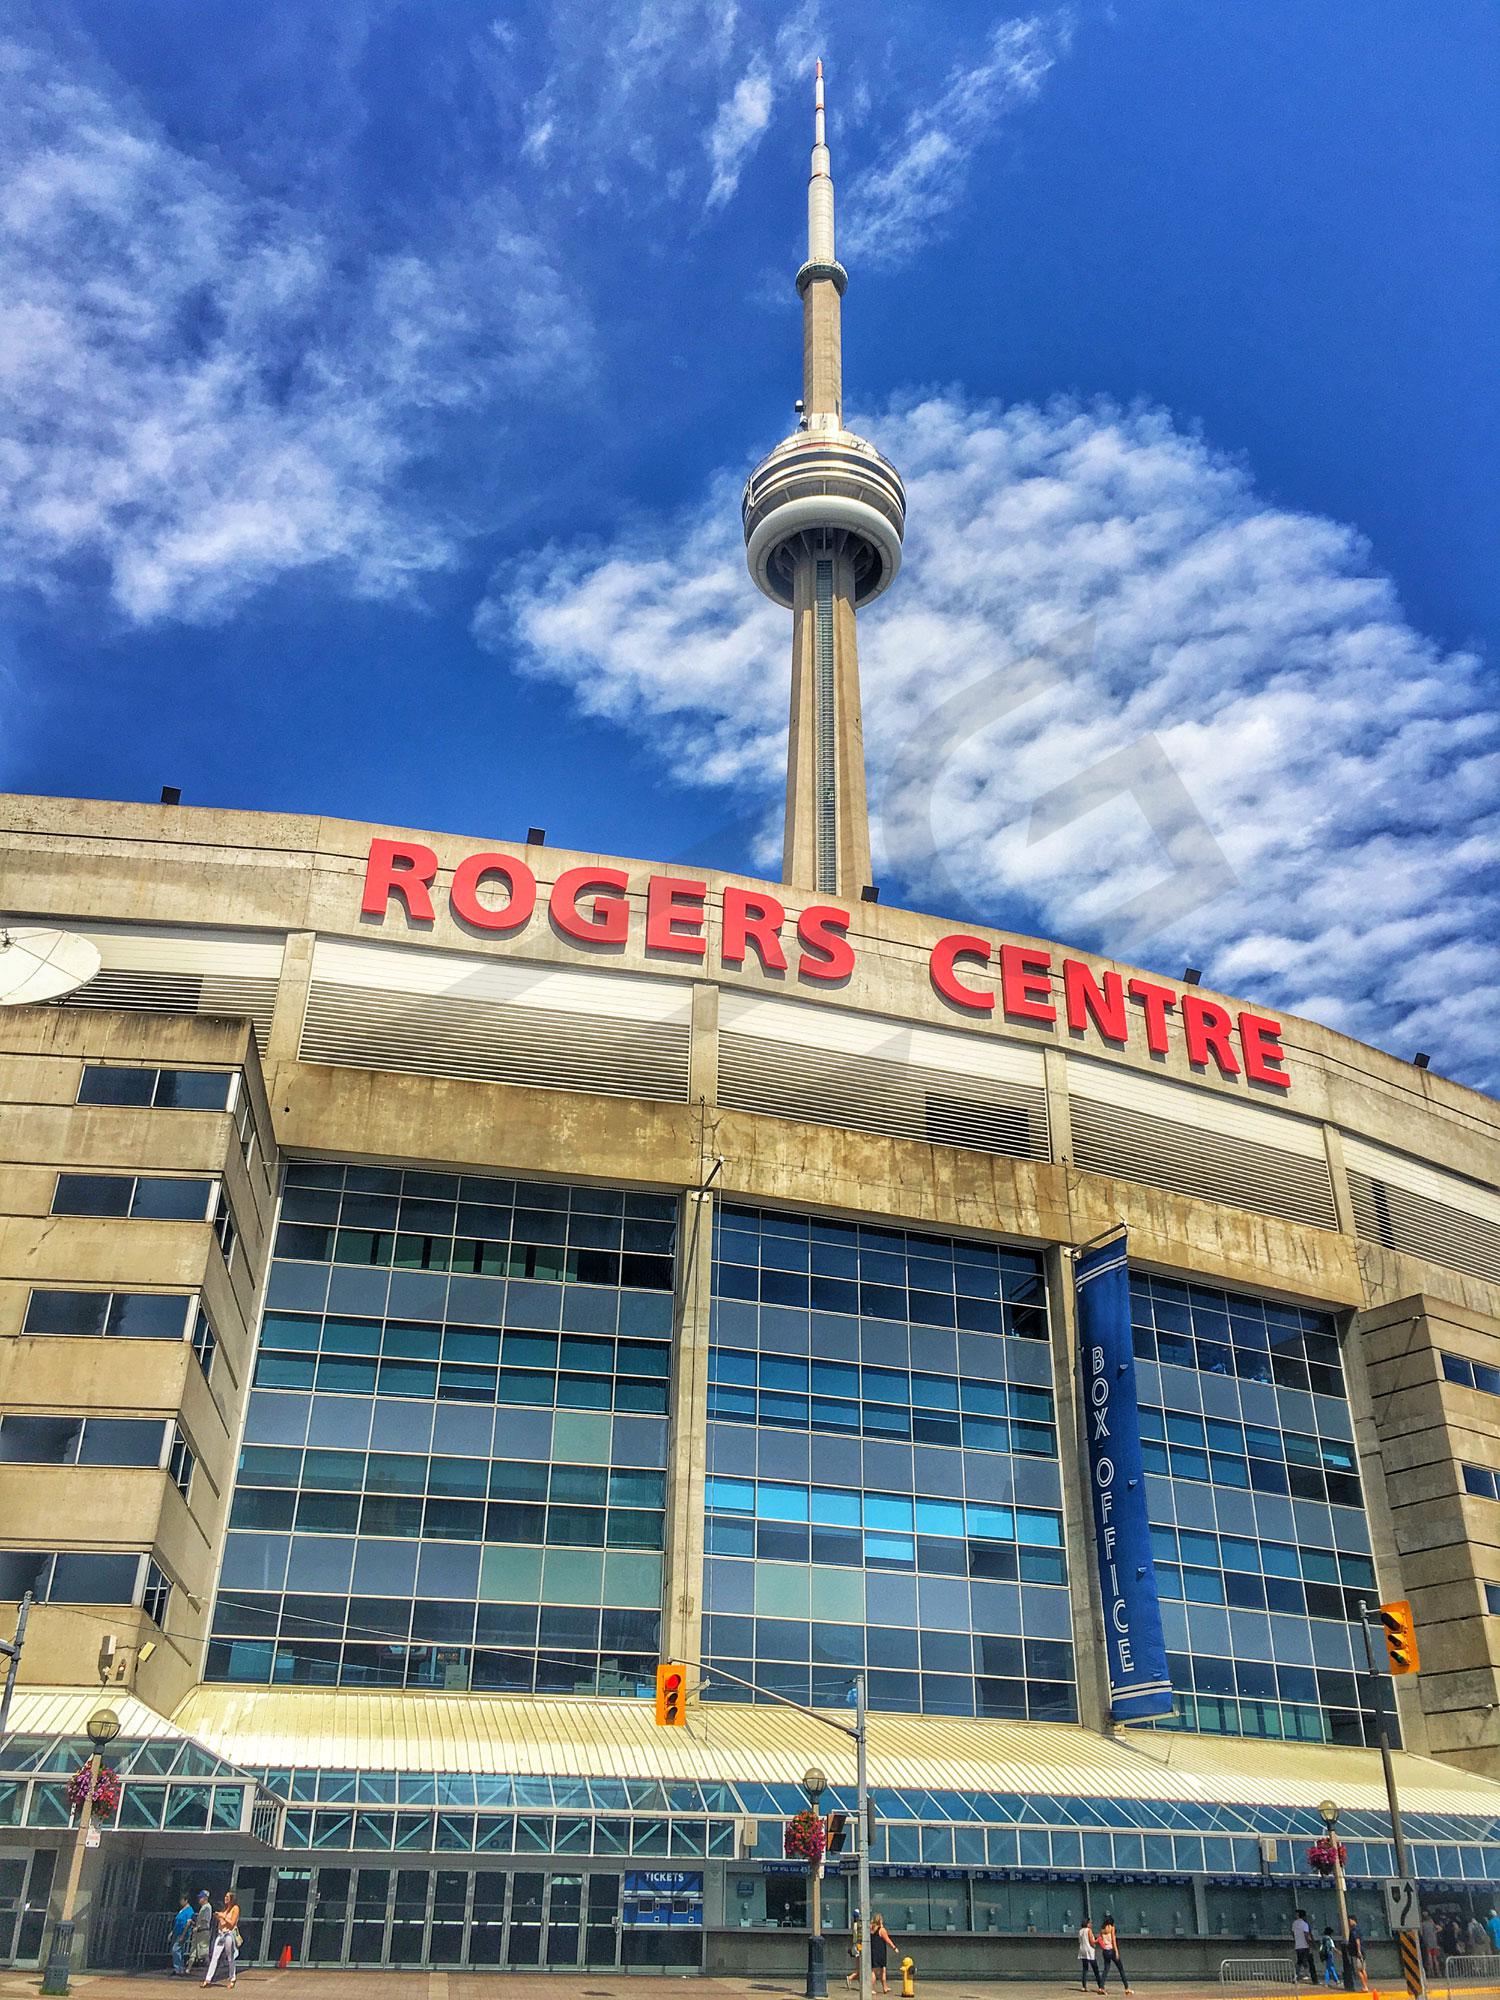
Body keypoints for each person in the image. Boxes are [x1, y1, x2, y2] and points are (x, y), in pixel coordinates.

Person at [202, 1888, 240, 1988]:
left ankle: (232, 1977)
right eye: (225, 1896)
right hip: (221, 1934)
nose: (225, 1898)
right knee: (214, 1957)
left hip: (229, 1934)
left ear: (232, 1898)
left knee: (230, 1957)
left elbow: (232, 1923)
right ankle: (208, 1979)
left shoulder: (235, 1908)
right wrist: (219, 1917)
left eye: (227, 1897)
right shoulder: (225, 1908)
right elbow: (222, 1921)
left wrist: (223, 1916)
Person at [1097, 1914, 1132, 1993]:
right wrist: (1116, 1951)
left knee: (1106, 1969)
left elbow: (1100, 1940)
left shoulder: (1102, 1929)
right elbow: (1113, 1940)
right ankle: (1126, 1987)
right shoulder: (1111, 1928)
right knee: (1120, 1969)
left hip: (1105, 1951)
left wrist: (1104, 1947)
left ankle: (1101, 1987)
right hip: (1111, 1950)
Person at [1078, 1918, 1104, 1993]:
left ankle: (1084, 1986)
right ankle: (1100, 1986)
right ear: (1087, 1923)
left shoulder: (1080, 1931)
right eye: (1090, 1923)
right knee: (1095, 1969)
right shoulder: (1088, 1930)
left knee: (1085, 1969)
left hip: (1082, 1950)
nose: (1091, 1924)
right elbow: (1092, 1942)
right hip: (1089, 1950)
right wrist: (1098, 1939)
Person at [170, 1897, 194, 1978]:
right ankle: (180, 1969)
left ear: (186, 1900)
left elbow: (188, 1924)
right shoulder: (182, 1910)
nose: (180, 1902)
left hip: (182, 1933)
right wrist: (172, 1932)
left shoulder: (189, 1911)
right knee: (179, 1951)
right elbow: (177, 1922)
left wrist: (183, 1935)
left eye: (181, 1900)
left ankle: (178, 1969)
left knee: (175, 1949)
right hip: (177, 1932)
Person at [189, 1894, 213, 1974]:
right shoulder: (203, 1907)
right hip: (199, 1931)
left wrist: (198, 1927)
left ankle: (210, 1970)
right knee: (194, 1950)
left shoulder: (207, 1907)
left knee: (204, 1951)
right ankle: (188, 1968)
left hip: (203, 1931)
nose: (199, 1899)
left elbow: (205, 1920)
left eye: (201, 1897)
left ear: (205, 1898)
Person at [1293, 1910, 1316, 1984]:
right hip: (1305, 1946)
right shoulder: (1304, 1924)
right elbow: (1306, 1935)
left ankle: (1295, 1976)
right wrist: (1310, 1944)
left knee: (1299, 1961)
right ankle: (1311, 1977)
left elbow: (1293, 1933)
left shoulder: (1294, 1923)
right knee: (1310, 1962)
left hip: (1298, 1945)